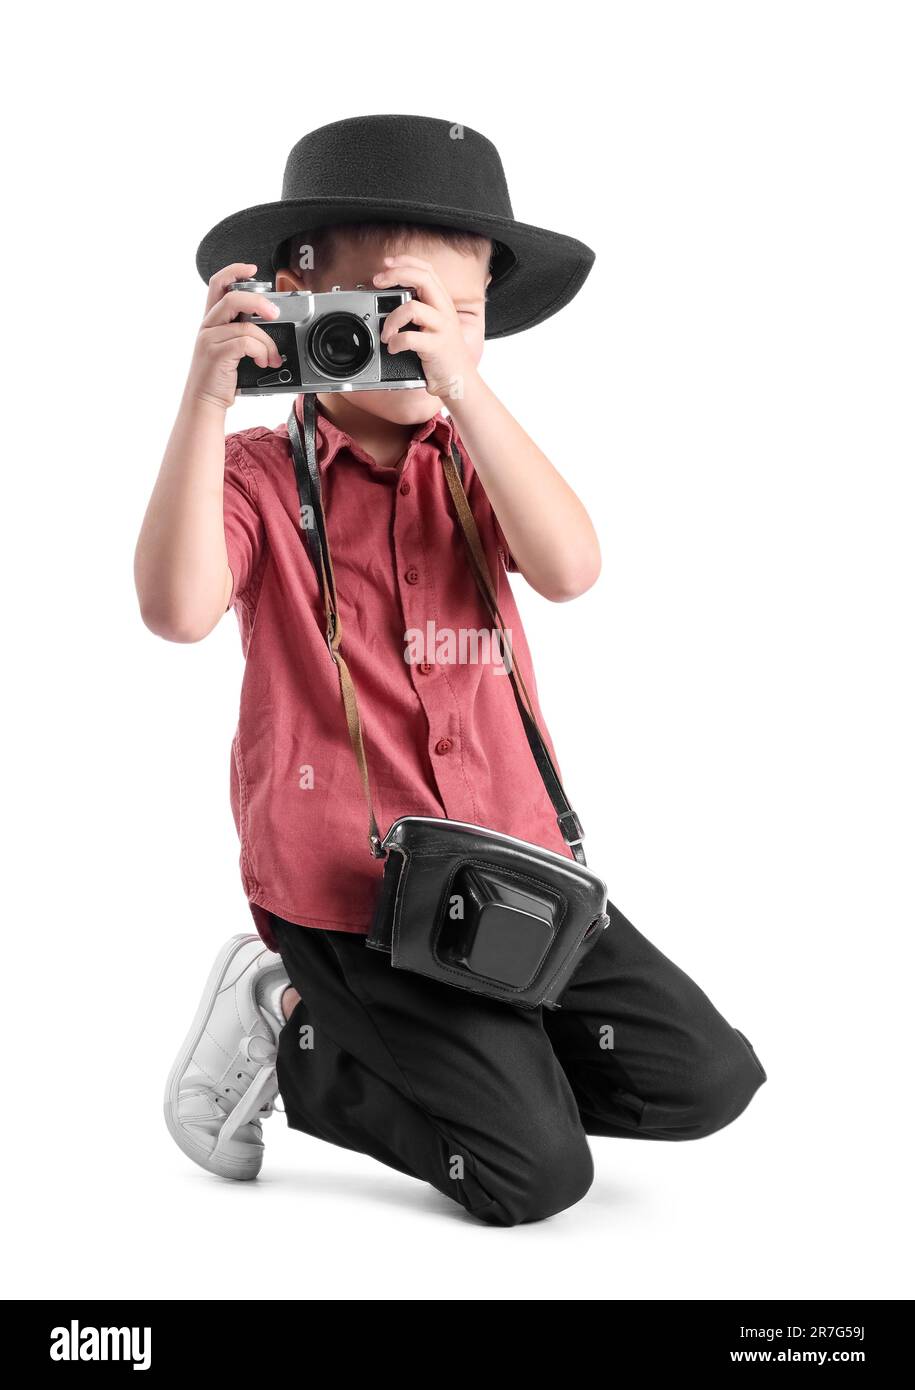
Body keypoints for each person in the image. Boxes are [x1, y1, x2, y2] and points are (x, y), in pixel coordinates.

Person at [135, 115, 766, 1226]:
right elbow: (176, 610)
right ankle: (291, 1020)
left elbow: (571, 569)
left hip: (509, 875)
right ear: (300, 299)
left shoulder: (476, 463)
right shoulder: (254, 476)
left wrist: (463, 388)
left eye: (459, 315)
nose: (425, 338)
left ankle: (481, 1064)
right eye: (390, 309)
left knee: (706, 1078)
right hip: (353, 898)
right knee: (536, 1177)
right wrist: (203, 401)